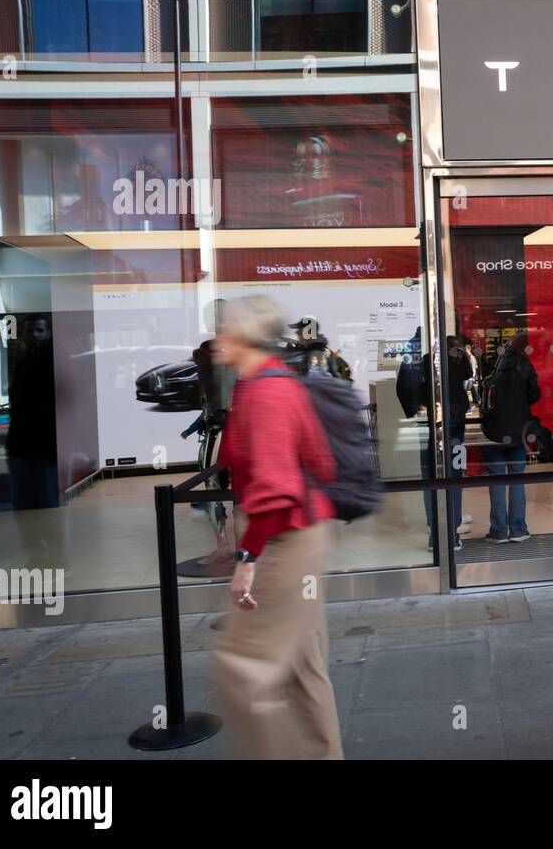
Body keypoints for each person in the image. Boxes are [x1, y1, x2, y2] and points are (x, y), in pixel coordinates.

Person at [210, 295, 343, 760]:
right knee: (302, 669)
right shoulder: (270, 383)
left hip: (284, 538)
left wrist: (248, 559)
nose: (216, 338)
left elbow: (274, 488)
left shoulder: (264, 390)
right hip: (300, 530)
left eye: (223, 329)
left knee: (244, 671)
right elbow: (320, 463)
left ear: (244, 335)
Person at [481, 331, 539, 543]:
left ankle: (498, 531)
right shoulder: (525, 365)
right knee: (517, 477)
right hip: (518, 429)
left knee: (496, 477)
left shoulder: (490, 365)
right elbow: (535, 396)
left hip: (493, 430)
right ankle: (518, 529)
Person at [420, 334, 473, 552]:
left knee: (432, 478)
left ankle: (435, 533)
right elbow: (468, 377)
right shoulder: (458, 359)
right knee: (455, 476)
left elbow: (417, 389)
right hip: (455, 423)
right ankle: (451, 532)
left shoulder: (425, 360)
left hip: (434, 422)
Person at [6, 315, 58, 511]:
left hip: (45, 447)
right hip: (22, 445)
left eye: (39, 330)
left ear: (48, 333)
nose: (34, 335)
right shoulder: (23, 364)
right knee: (25, 504)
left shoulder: (52, 362)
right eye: (30, 331)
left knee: (45, 503)